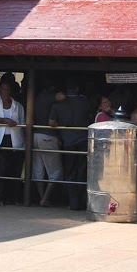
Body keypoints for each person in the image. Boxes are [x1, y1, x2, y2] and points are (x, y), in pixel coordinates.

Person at [48, 82, 93, 210]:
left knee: (70, 172)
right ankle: (84, 202)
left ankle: (73, 203)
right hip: (83, 140)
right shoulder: (85, 101)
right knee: (83, 171)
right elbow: (90, 116)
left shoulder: (58, 105)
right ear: (77, 88)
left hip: (68, 141)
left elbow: (51, 122)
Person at [0, 82, 27, 206]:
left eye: (8, 89)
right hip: (1, 139)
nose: (6, 92)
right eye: (3, 89)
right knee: (2, 168)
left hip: (16, 139)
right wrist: (5, 120)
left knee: (15, 169)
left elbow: (22, 123)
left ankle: (14, 197)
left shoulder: (18, 105)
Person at [28, 89, 64, 207]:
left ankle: (41, 197)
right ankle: (45, 198)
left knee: (38, 169)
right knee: (55, 171)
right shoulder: (50, 98)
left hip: (35, 135)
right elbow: (61, 96)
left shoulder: (37, 97)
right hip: (48, 136)